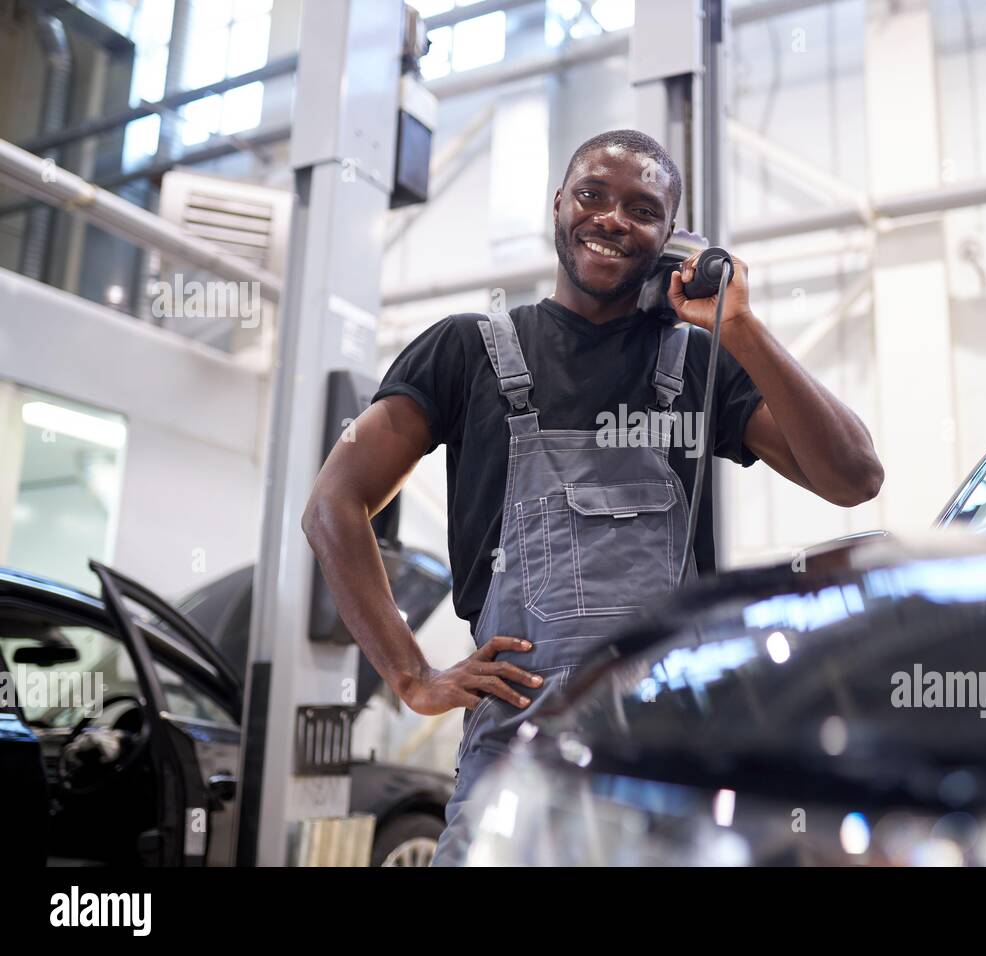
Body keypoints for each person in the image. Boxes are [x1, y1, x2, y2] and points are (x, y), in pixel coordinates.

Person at [301, 128, 884, 865]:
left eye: (643, 210)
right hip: (517, 757)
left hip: (670, 758)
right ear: (559, 204)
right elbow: (332, 504)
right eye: (592, 195)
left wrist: (740, 328)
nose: (612, 219)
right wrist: (411, 675)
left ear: (672, 238)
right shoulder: (465, 351)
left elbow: (853, 476)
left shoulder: (701, 364)